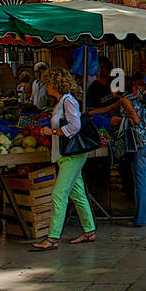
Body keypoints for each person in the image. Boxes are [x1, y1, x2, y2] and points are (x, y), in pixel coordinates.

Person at [30, 69, 97, 249]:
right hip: (64, 155)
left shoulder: (68, 101)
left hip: (71, 156)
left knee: (58, 195)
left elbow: (75, 126)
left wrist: (51, 131)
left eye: (48, 84)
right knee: (77, 193)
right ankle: (89, 231)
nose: (46, 87)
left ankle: (52, 238)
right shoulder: (61, 101)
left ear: (55, 84)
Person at [114, 79, 146, 228]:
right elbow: (109, 108)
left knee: (140, 181)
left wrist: (121, 120)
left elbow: (135, 120)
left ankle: (141, 219)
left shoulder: (124, 100)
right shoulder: (134, 97)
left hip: (140, 144)